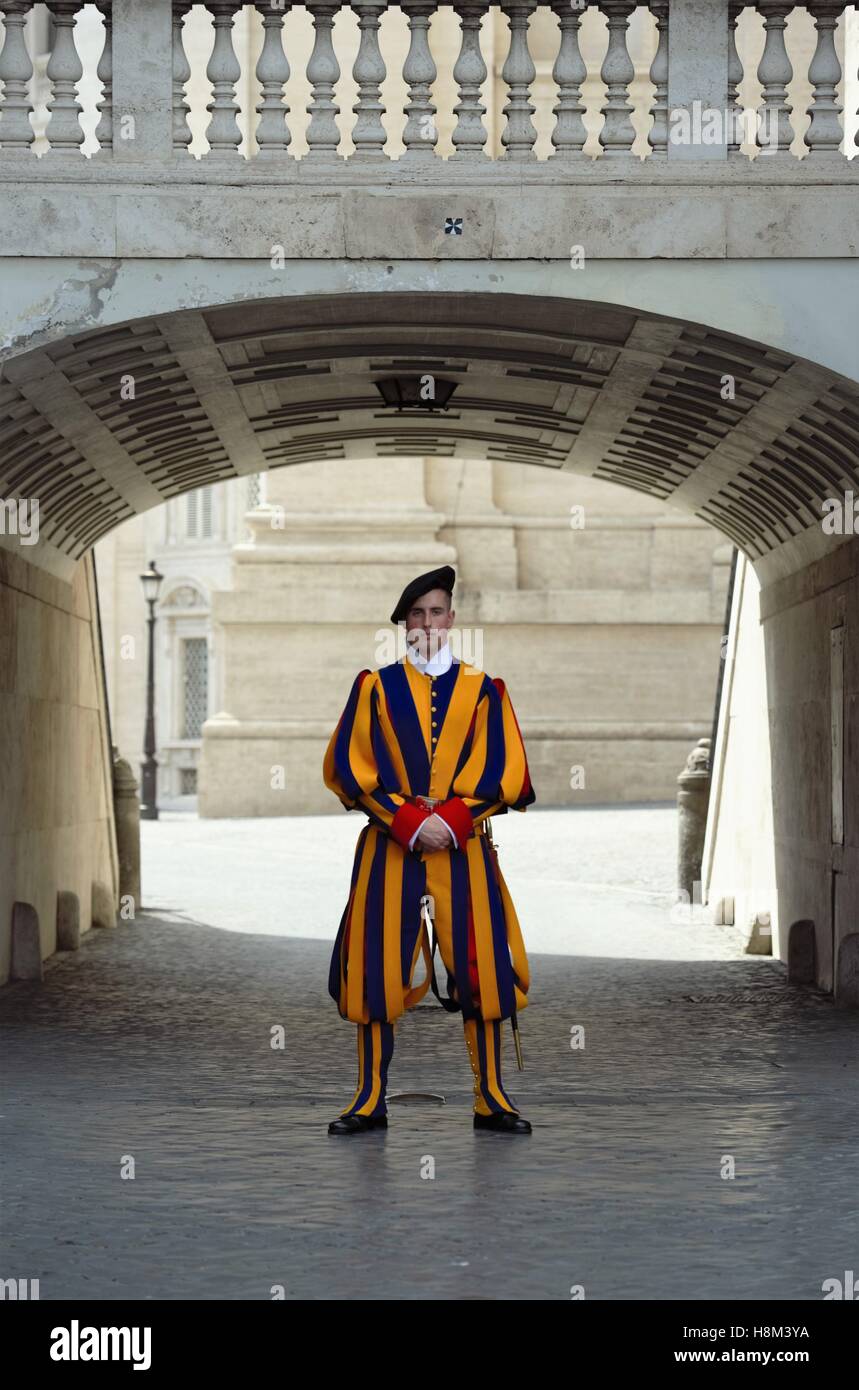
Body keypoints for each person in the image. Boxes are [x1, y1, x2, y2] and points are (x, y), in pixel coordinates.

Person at [322, 565, 535, 1135]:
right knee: (372, 970)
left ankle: (491, 1096)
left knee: (483, 968)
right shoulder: (375, 687)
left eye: (436, 612)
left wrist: (454, 820)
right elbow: (350, 769)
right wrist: (412, 822)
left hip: (465, 851)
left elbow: (505, 773)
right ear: (404, 624)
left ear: (452, 620)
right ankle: (369, 1098)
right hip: (390, 848)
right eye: (416, 614)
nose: (427, 622)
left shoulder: (486, 691)